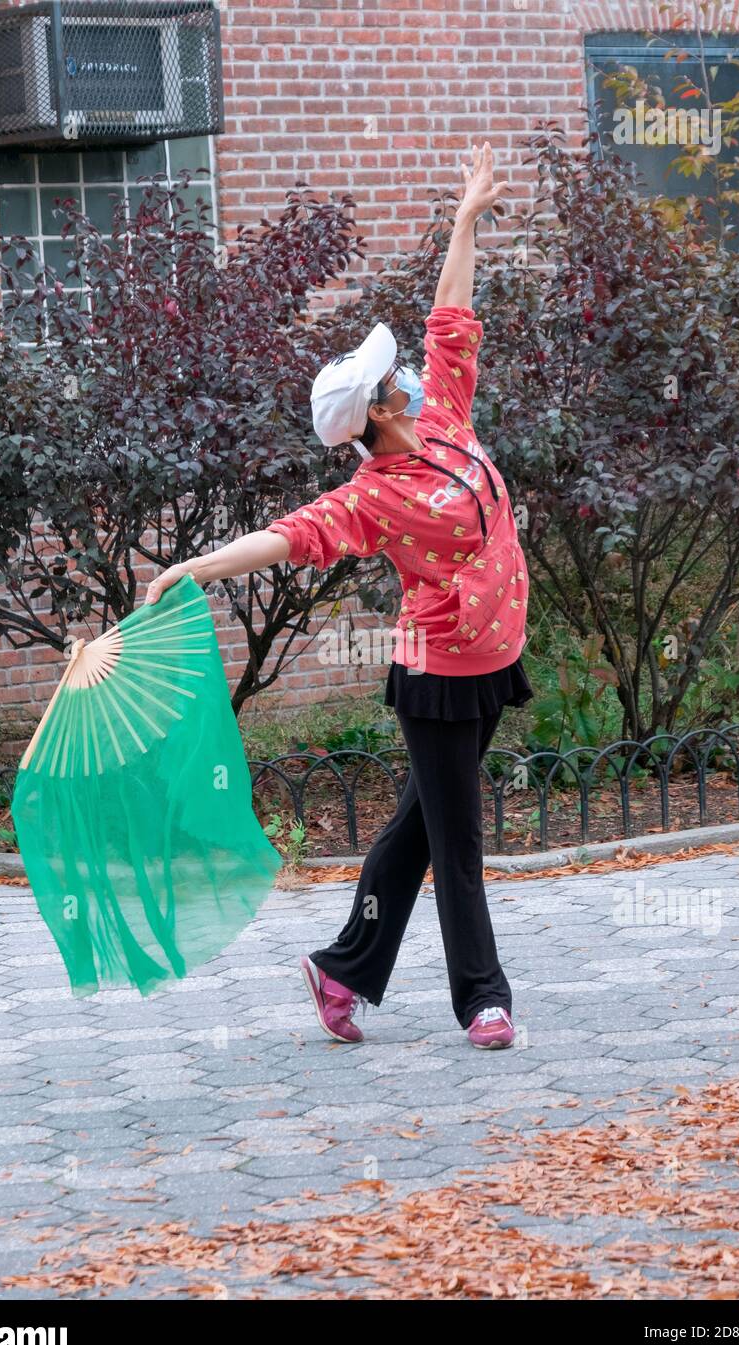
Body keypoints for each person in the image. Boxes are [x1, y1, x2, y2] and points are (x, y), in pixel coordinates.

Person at [147, 142, 531, 1050]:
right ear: (381, 412)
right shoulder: (369, 498)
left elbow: (451, 318)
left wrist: (465, 219)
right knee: (458, 843)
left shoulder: (445, 415)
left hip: (494, 654)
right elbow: (288, 536)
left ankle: (342, 967)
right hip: (438, 673)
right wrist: (194, 568)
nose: (410, 375)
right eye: (396, 380)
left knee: (421, 829)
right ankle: (483, 999)